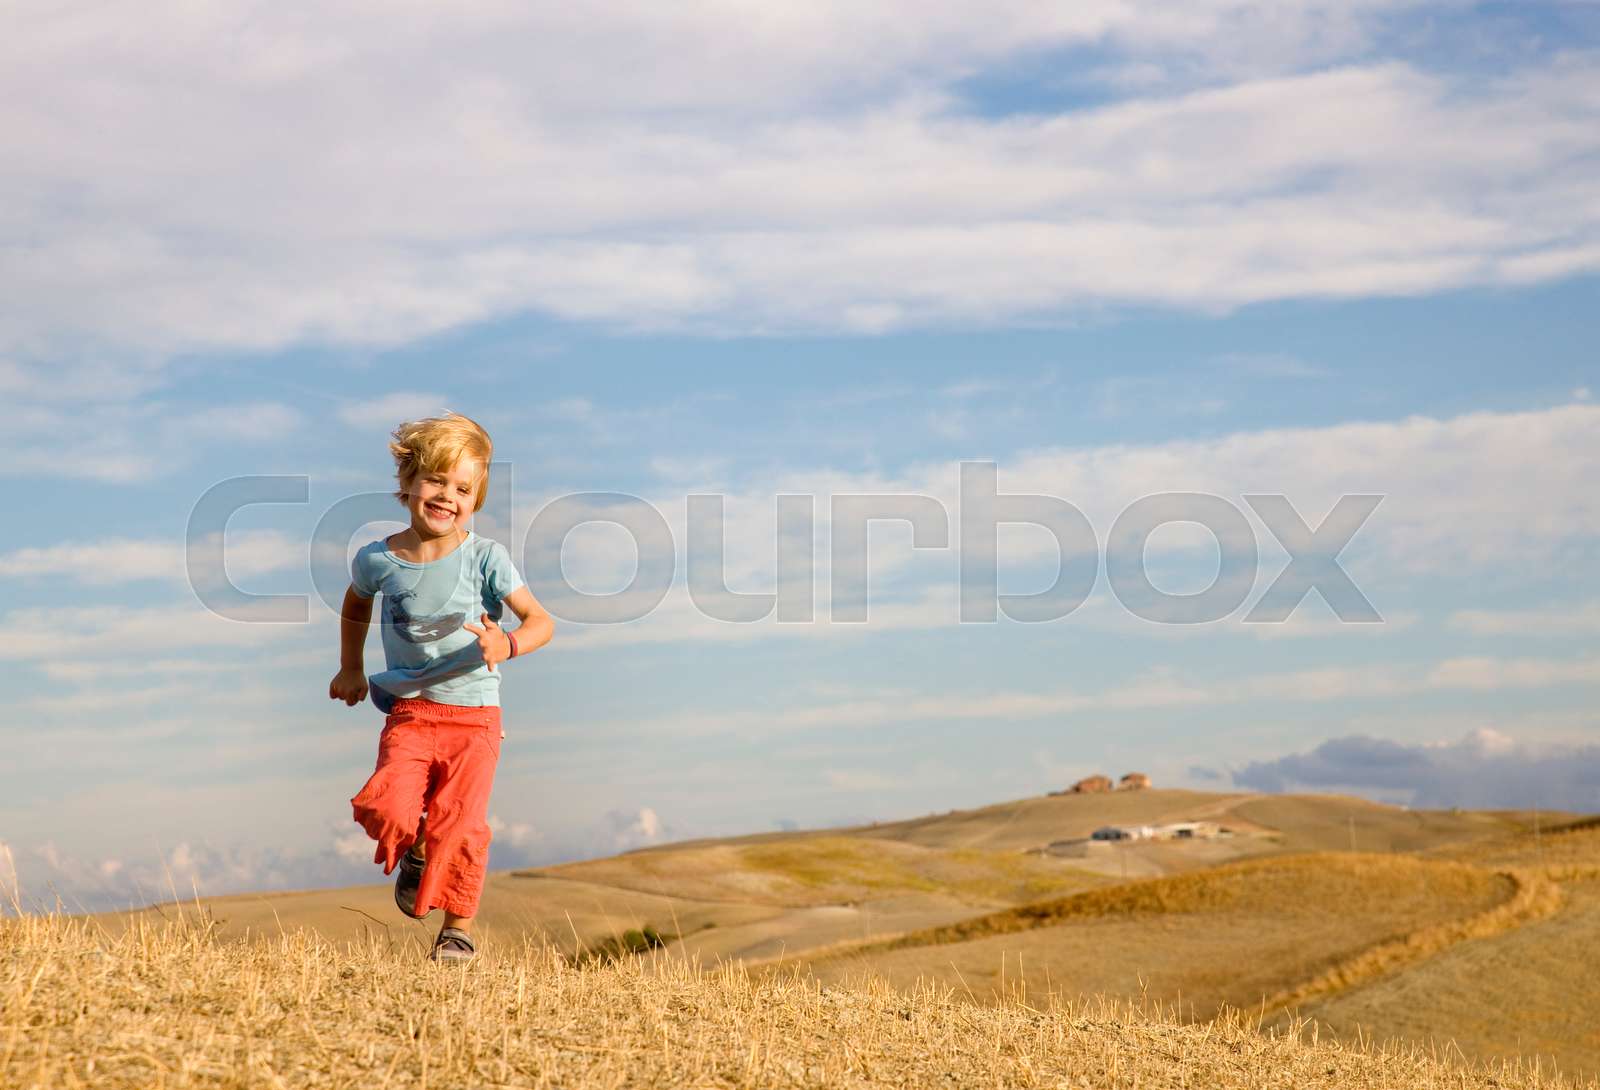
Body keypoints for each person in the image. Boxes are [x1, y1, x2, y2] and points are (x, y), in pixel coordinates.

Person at [328, 411, 554, 963]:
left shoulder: (486, 558)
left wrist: (509, 645)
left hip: (475, 717)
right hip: (410, 713)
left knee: (462, 823)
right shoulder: (378, 560)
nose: (447, 495)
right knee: (390, 810)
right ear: (406, 485)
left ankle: (457, 931)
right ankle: (416, 854)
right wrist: (351, 667)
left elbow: (541, 621)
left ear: (476, 497)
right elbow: (356, 603)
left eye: (463, 487)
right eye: (435, 480)